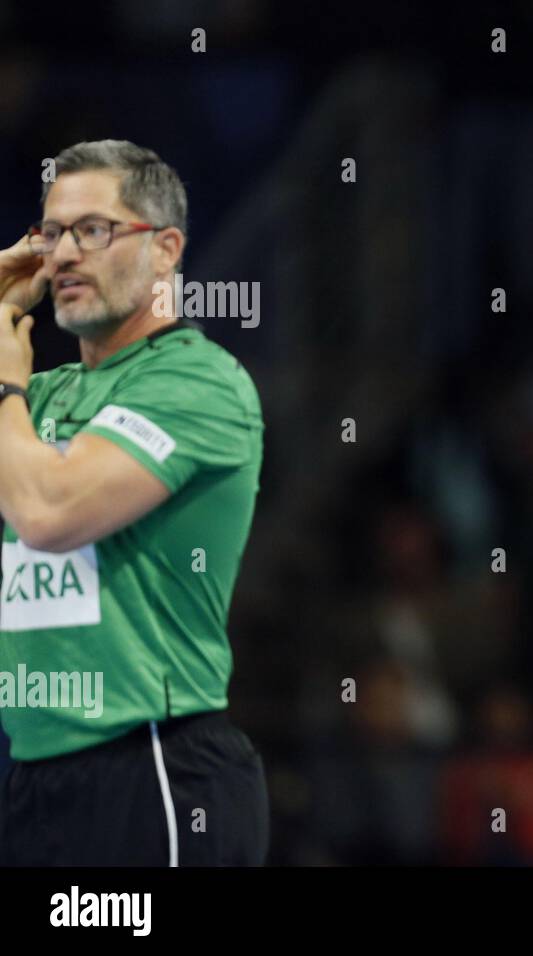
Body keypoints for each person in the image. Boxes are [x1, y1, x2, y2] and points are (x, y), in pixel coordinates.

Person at [0, 140, 268, 865]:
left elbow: (48, 514)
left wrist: (3, 386)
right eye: (50, 233)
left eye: (93, 230)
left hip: (152, 770)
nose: (60, 256)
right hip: (31, 776)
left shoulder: (199, 384)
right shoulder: (37, 399)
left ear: (165, 249)